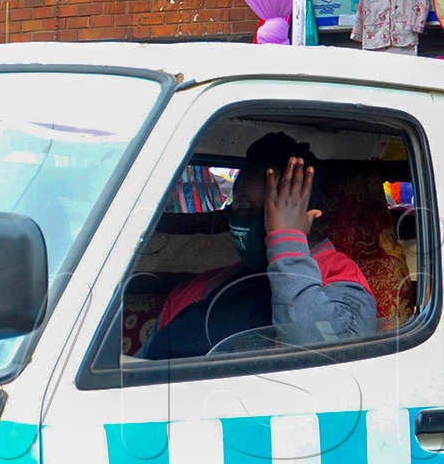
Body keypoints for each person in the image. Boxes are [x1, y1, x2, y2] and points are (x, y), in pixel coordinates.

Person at [140, 131, 376, 358]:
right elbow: (140, 362)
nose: (266, 219)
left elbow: (330, 353)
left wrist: (287, 240)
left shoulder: (339, 276)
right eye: (243, 206)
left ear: (307, 216)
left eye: (276, 209)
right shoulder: (196, 289)